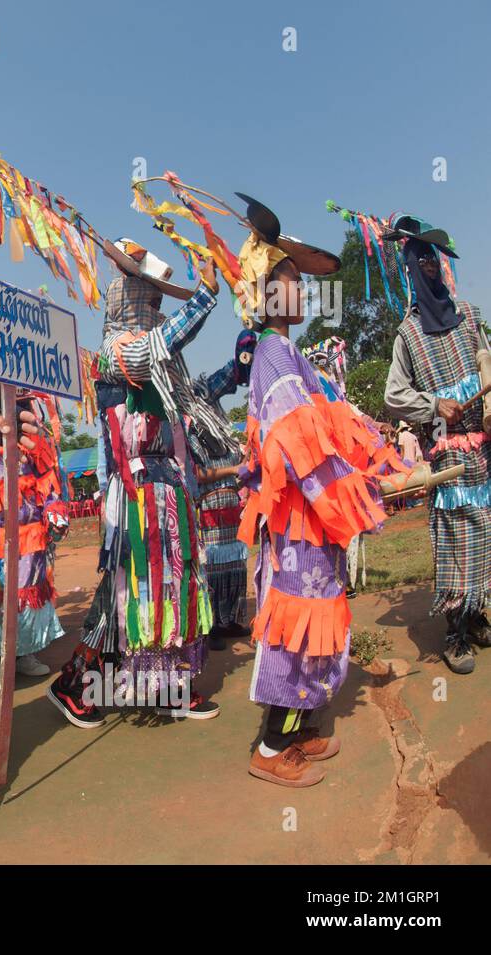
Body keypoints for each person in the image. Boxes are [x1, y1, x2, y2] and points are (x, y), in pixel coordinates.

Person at [234, 194, 404, 787]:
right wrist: (357, 494)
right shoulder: (270, 360)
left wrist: (380, 459)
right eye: (292, 283)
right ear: (265, 294)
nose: (304, 293)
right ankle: (270, 745)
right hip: (296, 526)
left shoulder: (291, 355)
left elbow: (335, 418)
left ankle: (303, 724)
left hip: (314, 527)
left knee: (318, 622)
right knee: (294, 626)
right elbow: (305, 454)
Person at [45, 238, 224, 727]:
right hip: (138, 494)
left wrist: (237, 368)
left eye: (158, 295)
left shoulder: (158, 360)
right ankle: (82, 684)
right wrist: (207, 295)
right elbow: (157, 347)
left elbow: (193, 394)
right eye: (148, 294)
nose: (156, 305)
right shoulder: (115, 353)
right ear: (127, 294)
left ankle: (161, 688)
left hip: (166, 491)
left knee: (161, 591)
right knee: (138, 592)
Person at [383, 215, 491, 673]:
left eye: (433, 258)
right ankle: (454, 632)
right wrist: (434, 405)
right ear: (410, 270)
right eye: (420, 260)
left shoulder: (468, 315)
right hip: (447, 457)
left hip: (483, 452)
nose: (429, 265)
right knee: (454, 541)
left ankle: (477, 613)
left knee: (485, 534)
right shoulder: (408, 334)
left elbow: (487, 363)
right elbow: (393, 394)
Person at [0, 385, 65, 682]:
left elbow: (48, 470)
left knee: (27, 588)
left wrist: (54, 506)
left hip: (29, 529)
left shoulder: (34, 425)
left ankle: (23, 652)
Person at [188, 330, 257, 650]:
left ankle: (229, 621)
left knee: (235, 563)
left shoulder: (204, 394)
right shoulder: (181, 419)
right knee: (215, 565)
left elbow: (230, 376)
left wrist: (244, 354)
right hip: (211, 505)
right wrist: (234, 468)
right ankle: (213, 624)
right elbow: (197, 473)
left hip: (230, 499)